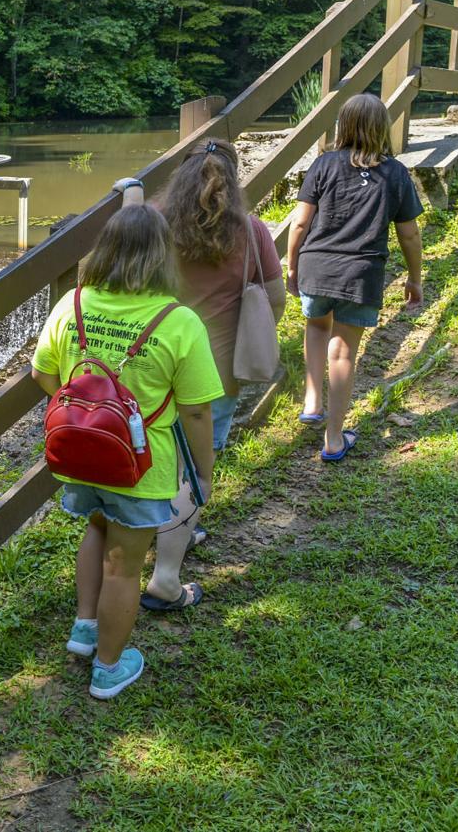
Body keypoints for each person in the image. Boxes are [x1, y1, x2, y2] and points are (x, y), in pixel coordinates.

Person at [31, 205, 222, 699]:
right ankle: (109, 669)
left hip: (81, 456)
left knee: (97, 527)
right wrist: (203, 471)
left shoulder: (72, 304)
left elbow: (43, 374)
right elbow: (197, 412)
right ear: (162, 256)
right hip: (141, 466)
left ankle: (86, 628)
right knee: (125, 565)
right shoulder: (178, 321)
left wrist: (86, 413)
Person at [142, 140, 285, 611]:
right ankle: (166, 576)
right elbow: (276, 300)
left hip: (152, 364)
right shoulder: (251, 231)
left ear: (180, 179)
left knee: (156, 451)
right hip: (217, 372)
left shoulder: (154, 222)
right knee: (198, 466)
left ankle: (157, 528)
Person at [286, 94, 424, 461]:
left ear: (343, 126)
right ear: (382, 128)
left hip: (317, 265)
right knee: (343, 351)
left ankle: (312, 401)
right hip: (360, 274)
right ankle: (333, 439)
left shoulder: (323, 164)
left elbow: (299, 223)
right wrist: (415, 278)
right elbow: (409, 235)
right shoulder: (395, 174)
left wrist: (292, 266)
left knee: (316, 326)